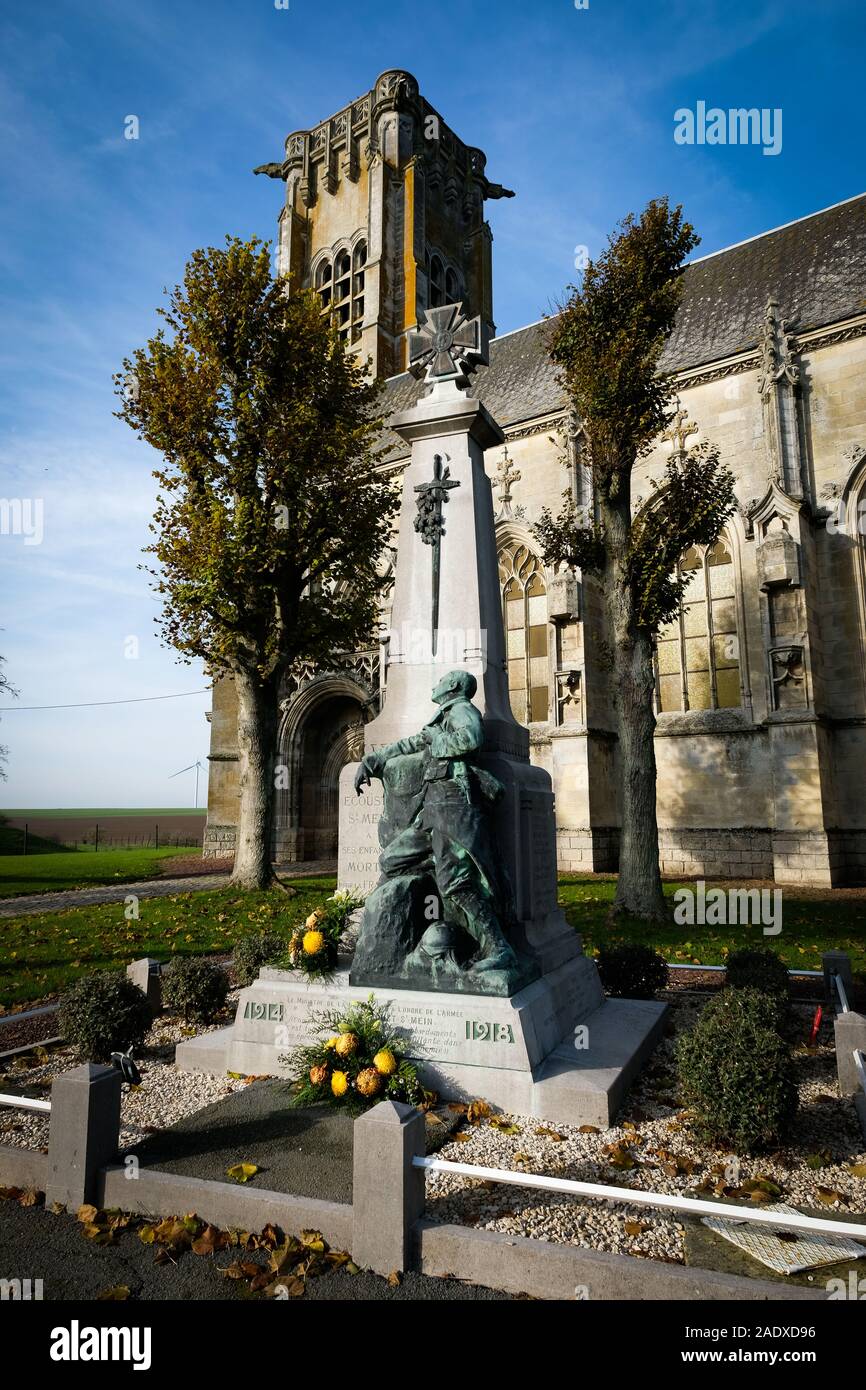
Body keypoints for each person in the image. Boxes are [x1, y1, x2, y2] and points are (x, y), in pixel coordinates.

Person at [354, 669, 517, 973]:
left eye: (441, 680)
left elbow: (471, 740)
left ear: (453, 687)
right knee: (392, 859)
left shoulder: (462, 710)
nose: (435, 683)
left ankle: (498, 948)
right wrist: (373, 760)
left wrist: (438, 740)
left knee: (455, 884)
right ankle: (434, 877)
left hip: (454, 806)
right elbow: (412, 744)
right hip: (432, 808)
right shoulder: (442, 716)